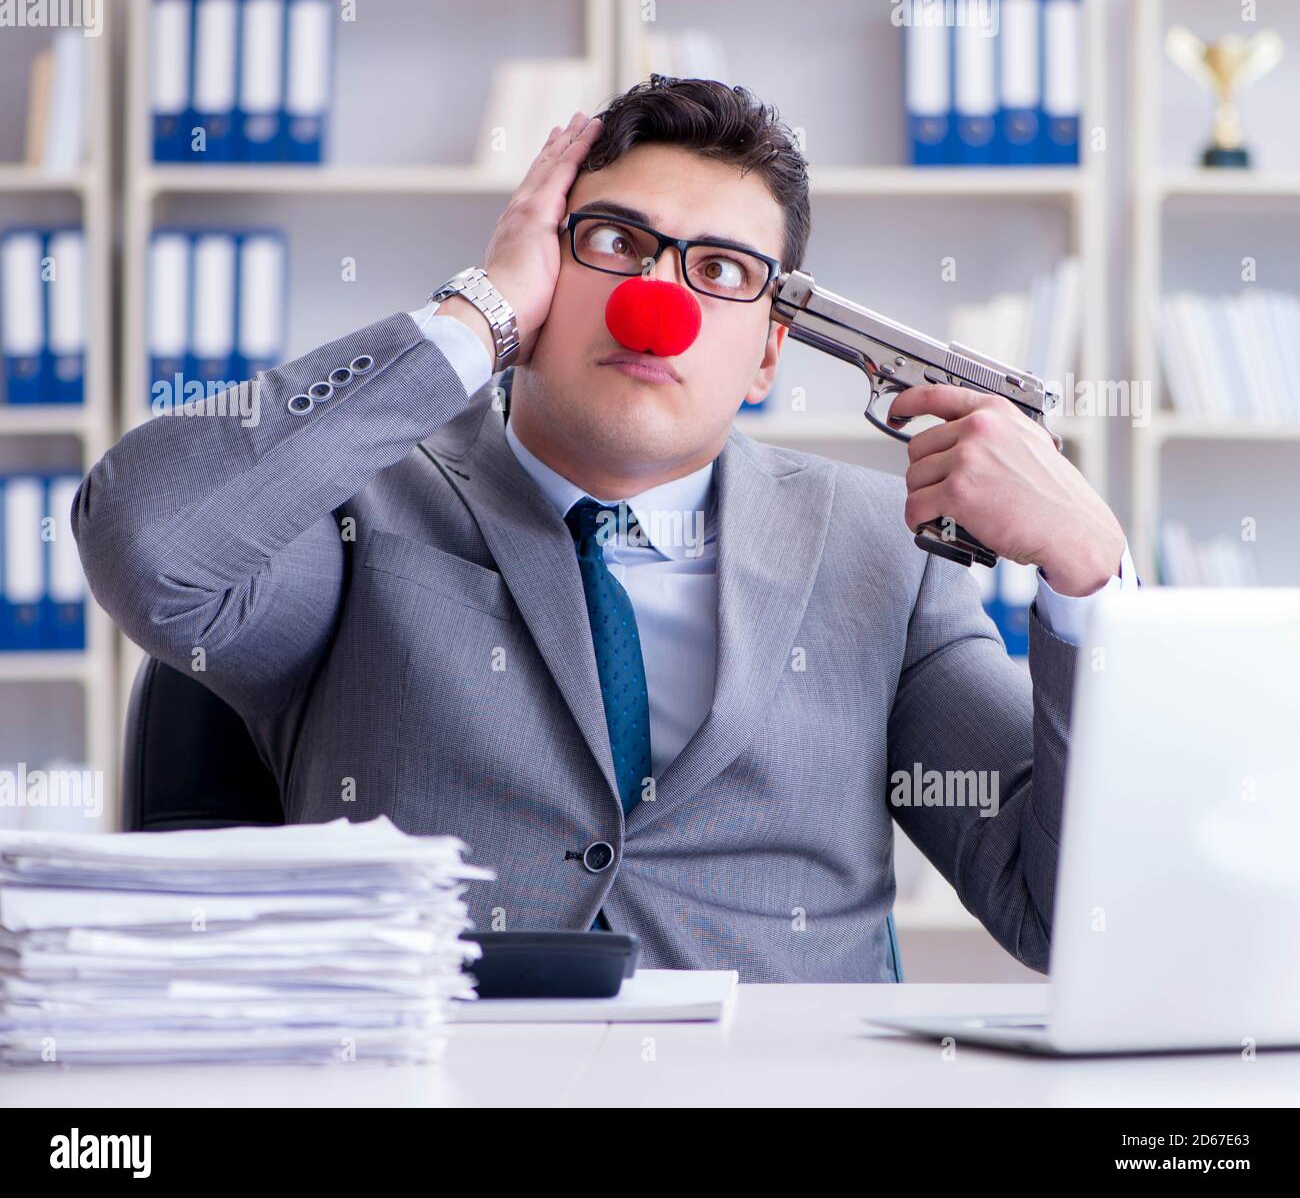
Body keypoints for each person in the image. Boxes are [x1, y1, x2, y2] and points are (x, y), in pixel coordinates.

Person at [74, 75, 1134, 981]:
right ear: (540, 275)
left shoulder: (880, 555)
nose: (654, 301)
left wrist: (1089, 581)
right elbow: (148, 544)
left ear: (768, 355)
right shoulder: (349, 510)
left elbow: (1075, 916)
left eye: (719, 271)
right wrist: (471, 319)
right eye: (616, 242)